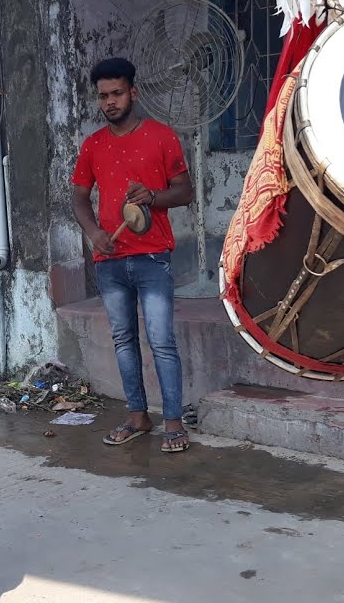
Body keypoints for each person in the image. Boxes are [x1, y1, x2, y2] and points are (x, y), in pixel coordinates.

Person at [71, 57, 194, 453]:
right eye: (103, 96)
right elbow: (78, 198)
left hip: (153, 256)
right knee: (124, 340)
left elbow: (185, 191)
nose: (109, 102)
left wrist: (154, 197)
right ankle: (138, 416)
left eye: (117, 93)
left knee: (161, 341)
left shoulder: (162, 137)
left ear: (133, 93)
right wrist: (94, 233)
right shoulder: (92, 145)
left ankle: (173, 422)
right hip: (109, 261)